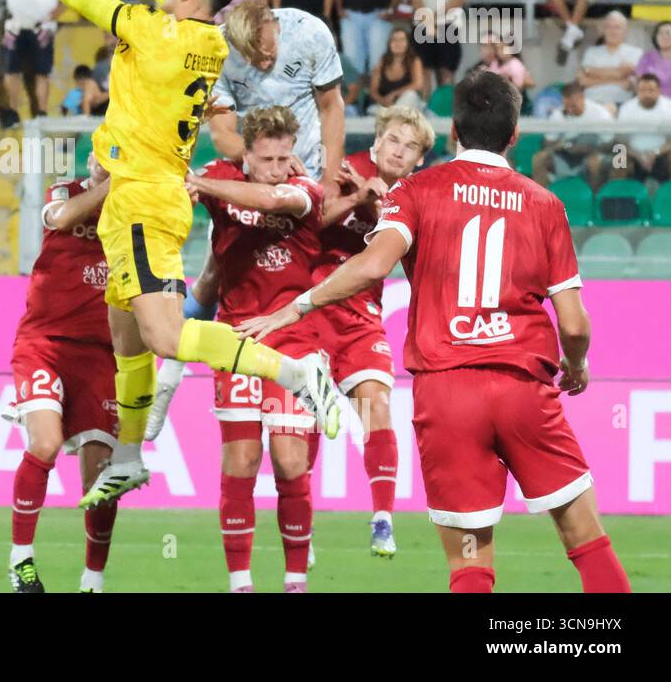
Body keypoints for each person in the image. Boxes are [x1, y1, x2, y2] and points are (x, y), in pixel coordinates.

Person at [6, 0, 341, 508]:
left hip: (139, 200)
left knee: (162, 337)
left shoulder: (147, 28)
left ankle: (296, 371)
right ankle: (129, 455)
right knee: (122, 329)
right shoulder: (207, 39)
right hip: (147, 195)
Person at [240, 71, 632, 595]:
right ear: (514, 135)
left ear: (452, 132)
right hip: (522, 389)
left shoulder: (416, 190)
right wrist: (577, 364)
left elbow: (373, 265)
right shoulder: (545, 204)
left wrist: (297, 307)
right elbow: (575, 325)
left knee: (470, 564)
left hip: (447, 394)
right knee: (586, 539)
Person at [183, 107, 353, 592]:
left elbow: (271, 197)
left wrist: (206, 187)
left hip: (293, 337)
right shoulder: (221, 175)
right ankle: (240, 583)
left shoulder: (303, 192)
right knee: (239, 463)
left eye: (285, 156)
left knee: (290, 462)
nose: (280, 166)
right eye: (269, 159)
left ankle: (295, 580)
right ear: (247, 155)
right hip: (235, 338)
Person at [310, 106, 435, 558]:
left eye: (411, 147)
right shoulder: (341, 169)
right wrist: (357, 197)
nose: (400, 152)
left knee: (377, 407)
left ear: (419, 159)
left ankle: (382, 520)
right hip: (314, 306)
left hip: (361, 317)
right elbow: (305, 225)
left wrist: (386, 214)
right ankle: (300, 530)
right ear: (378, 140)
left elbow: (418, 263)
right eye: (394, 140)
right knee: (304, 426)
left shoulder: (415, 196)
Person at [6, 154, 118, 593]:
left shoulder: (136, 212)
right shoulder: (64, 192)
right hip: (44, 344)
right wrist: (115, 185)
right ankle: (21, 561)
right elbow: (63, 216)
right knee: (46, 442)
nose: (102, 164)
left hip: (101, 355)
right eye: (99, 154)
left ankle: (93, 579)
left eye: (115, 157)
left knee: (101, 476)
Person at [208, 1, 346, 185]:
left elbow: (331, 108)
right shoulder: (215, 50)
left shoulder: (309, 33)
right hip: (253, 176)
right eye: (252, 60)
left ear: (274, 26)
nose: (264, 65)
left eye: (267, 55)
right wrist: (267, 160)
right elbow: (222, 134)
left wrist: (330, 179)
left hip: (309, 171)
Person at [0, 0, 60, 125]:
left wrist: (55, 14)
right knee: (11, 70)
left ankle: (42, 111)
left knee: (42, 71)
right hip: (16, 25)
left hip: (42, 26)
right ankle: (13, 111)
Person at [533, 81, 614, 190]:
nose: (569, 110)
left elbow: (609, 143)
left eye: (573, 106)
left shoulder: (599, 114)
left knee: (594, 163)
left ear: (581, 98)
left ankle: (592, 199)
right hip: (566, 154)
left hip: (591, 153)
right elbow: (548, 142)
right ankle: (541, 200)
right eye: (567, 106)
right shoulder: (559, 114)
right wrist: (560, 145)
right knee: (539, 158)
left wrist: (589, 149)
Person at [578, 10, 643, 112]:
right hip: (590, 102)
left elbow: (630, 85)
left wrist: (592, 72)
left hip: (620, 104)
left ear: (625, 30)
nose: (612, 31)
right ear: (603, 30)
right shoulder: (591, 52)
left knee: (607, 111)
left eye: (617, 27)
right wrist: (619, 76)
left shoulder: (635, 52)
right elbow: (582, 81)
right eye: (608, 27)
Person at [614, 73, 671, 182]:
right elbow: (620, 140)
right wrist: (637, 154)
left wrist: (656, 152)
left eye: (651, 90)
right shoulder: (626, 108)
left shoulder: (669, 107)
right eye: (643, 90)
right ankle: (619, 195)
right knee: (619, 154)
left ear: (658, 91)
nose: (647, 94)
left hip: (662, 152)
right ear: (637, 91)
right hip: (633, 153)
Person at [369, 27, 425, 111]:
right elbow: (373, 90)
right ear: (389, 43)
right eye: (394, 40)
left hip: (408, 105)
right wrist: (382, 100)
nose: (398, 43)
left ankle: (393, 113)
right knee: (372, 109)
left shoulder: (414, 61)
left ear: (408, 43)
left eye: (402, 40)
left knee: (410, 95)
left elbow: (418, 84)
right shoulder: (382, 61)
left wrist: (394, 94)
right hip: (386, 105)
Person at [635, 20, 671, 96]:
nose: (664, 36)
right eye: (660, 33)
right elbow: (639, 80)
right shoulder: (648, 56)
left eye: (668, 33)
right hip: (651, 102)